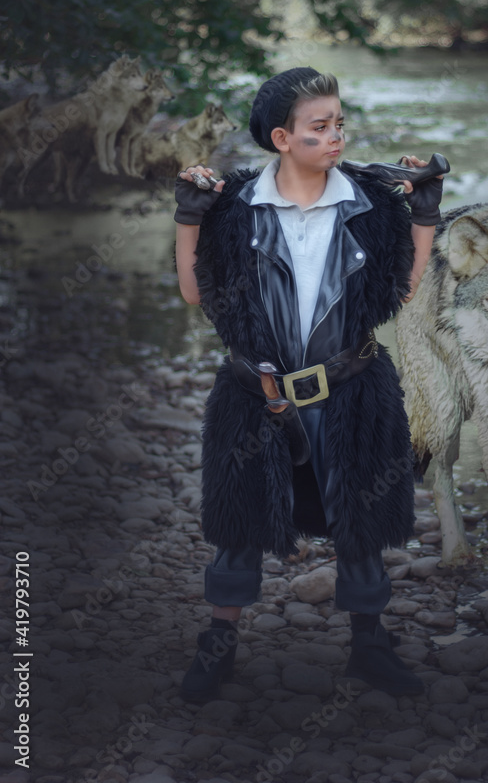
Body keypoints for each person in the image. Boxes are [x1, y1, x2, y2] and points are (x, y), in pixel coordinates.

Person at [173, 67, 443, 702]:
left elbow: (399, 292)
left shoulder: (371, 203)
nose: (337, 137)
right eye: (320, 128)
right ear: (281, 138)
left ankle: (370, 647)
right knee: (238, 523)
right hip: (255, 396)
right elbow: (193, 294)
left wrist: (423, 212)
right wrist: (189, 217)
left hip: (351, 388)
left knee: (363, 519)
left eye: (339, 124)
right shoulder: (235, 206)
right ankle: (217, 645)